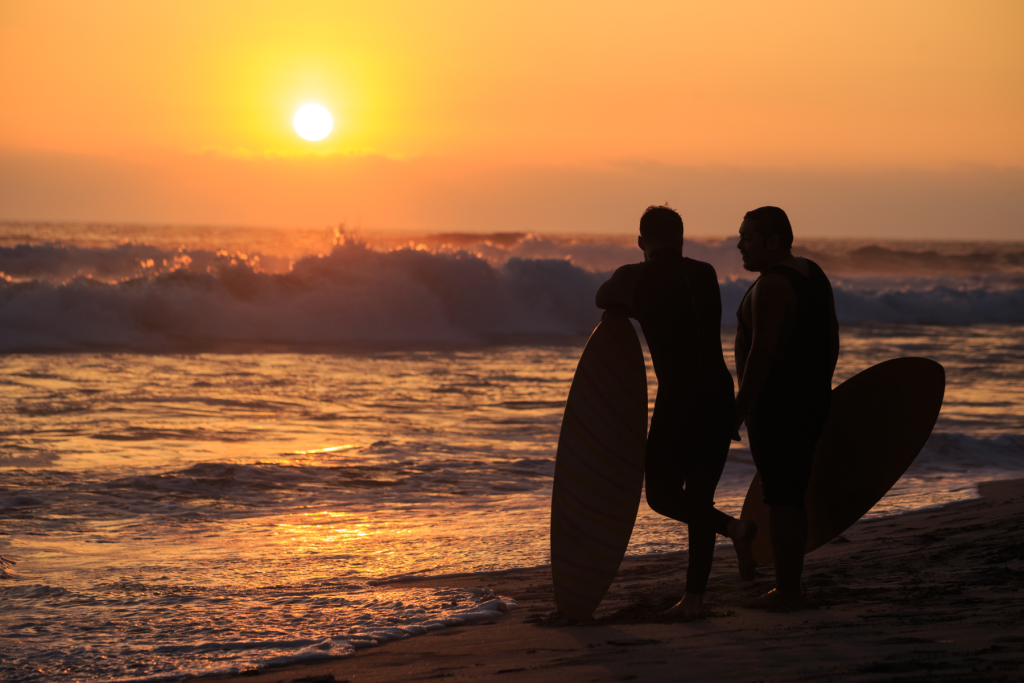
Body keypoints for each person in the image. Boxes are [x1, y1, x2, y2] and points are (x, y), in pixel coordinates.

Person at [596, 205, 758, 619]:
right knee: (700, 497)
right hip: (719, 393)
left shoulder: (635, 275)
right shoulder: (705, 273)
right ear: (682, 238)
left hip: (680, 396)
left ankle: (734, 529)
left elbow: (602, 297)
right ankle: (695, 598)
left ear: (640, 242)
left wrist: (627, 306)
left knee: (664, 495)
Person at [734, 206, 840, 610]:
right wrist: (820, 387)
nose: (740, 245)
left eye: (747, 238)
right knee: (789, 493)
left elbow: (760, 357)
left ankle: (788, 590)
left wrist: (739, 409)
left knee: (781, 498)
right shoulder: (812, 272)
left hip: (777, 406)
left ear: (773, 241)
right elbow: (831, 337)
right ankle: (789, 585)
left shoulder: (773, 286)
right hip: (810, 399)